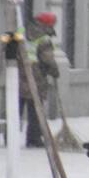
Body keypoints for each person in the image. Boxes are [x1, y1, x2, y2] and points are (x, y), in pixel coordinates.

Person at [21, 11, 61, 147]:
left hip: (19, 75)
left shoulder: (22, 31)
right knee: (36, 110)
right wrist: (54, 71)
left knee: (16, 109)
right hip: (36, 77)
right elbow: (47, 59)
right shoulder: (44, 39)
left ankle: (10, 136)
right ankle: (33, 139)